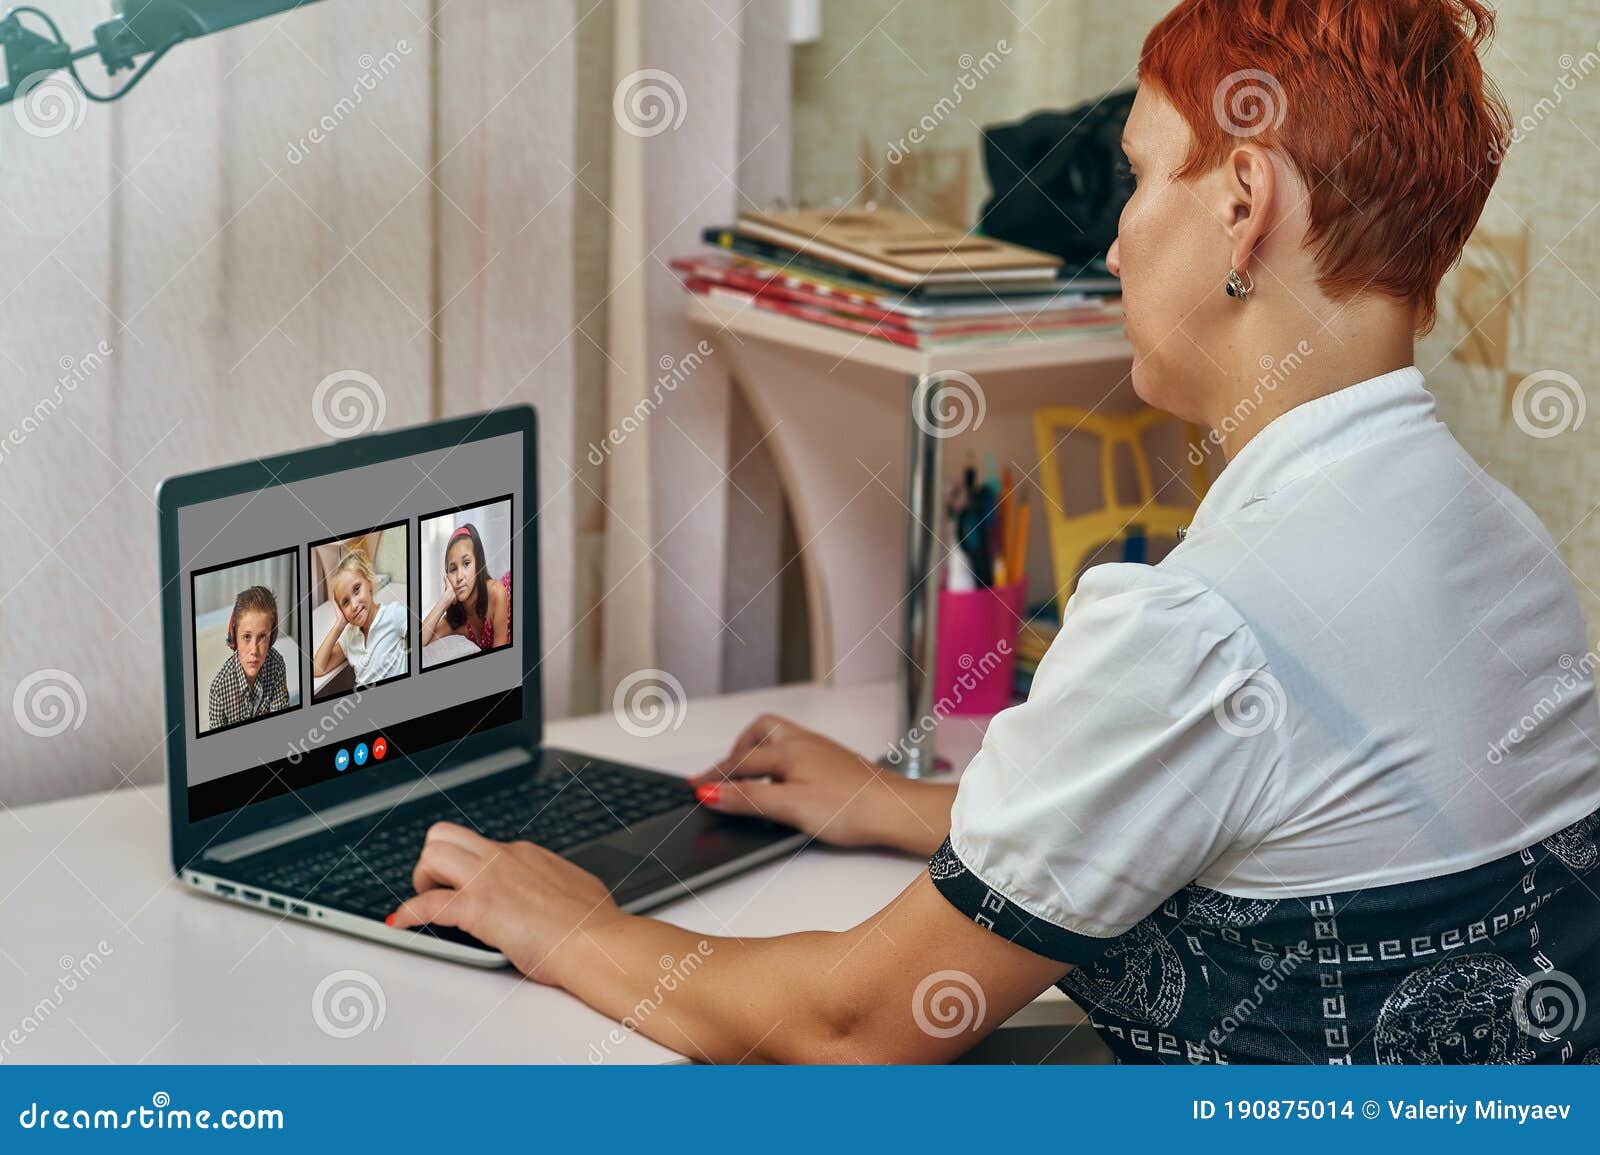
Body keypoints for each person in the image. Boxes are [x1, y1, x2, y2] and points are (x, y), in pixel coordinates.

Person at [388, 0, 1600, 1064]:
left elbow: (849, 1027)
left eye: (1138, 178)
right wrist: (901, 804)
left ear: (1243, 205)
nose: (1114, 241)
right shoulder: (1501, 547)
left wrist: (575, 926)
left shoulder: (1201, 622)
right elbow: (1256, 810)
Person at [313, 545, 408, 693]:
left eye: (357, 589)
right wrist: (339, 624)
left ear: (369, 583)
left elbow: (425, 636)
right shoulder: (350, 636)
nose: (354, 605)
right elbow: (318, 668)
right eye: (345, 602)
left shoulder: (394, 614)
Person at [207, 585, 291, 730]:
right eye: (246, 637)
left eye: (262, 637)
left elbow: (281, 725)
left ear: (271, 638)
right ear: (234, 638)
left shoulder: (277, 664)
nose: (254, 650)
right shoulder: (218, 689)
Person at [421, 523, 510, 655]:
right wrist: (444, 600)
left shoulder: (497, 593)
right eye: (453, 569)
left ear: (478, 564)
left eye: (466, 563)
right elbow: (418, 642)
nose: (459, 577)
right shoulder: (456, 622)